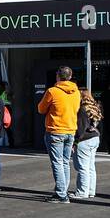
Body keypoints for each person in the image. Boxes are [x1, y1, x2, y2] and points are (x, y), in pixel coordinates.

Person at [37, 66, 81, 203]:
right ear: (70, 76)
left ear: (58, 76)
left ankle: (61, 194)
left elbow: (41, 109)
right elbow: (77, 108)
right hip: (70, 130)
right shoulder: (76, 92)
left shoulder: (52, 91)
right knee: (65, 163)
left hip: (55, 130)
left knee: (57, 163)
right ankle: (62, 191)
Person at [72, 89, 103, 200]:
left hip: (84, 140)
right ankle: (91, 191)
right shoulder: (94, 108)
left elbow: (81, 128)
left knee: (82, 168)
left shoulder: (82, 109)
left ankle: (82, 192)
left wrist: (75, 142)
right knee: (90, 167)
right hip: (94, 138)